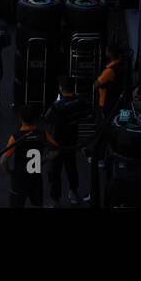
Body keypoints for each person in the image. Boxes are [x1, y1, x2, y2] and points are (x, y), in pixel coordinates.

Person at [44, 75, 89, 207]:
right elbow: (84, 113)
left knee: (55, 172)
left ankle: (55, 200)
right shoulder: (79, 101)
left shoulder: (57, 106)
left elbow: (47, 118)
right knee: (71, 167)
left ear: (60, 88)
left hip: (57, 143)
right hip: (72, 140)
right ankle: (73, 192)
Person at [2, 106, 54, 208]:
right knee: (37, 204)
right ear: (35, 119)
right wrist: (44, 160)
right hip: (35, 177)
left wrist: (8, 171)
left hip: (19, 178)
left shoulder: (16, 137)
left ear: (21, 119)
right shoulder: (43, 134)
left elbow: (3, 160)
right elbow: (55, 151)